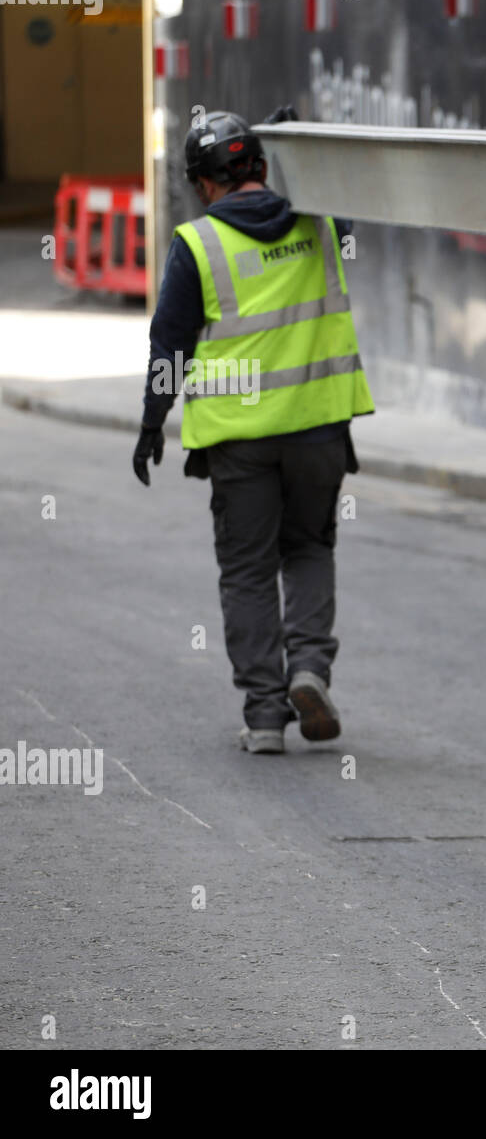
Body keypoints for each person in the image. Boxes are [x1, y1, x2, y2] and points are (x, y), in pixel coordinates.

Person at [132, 108, 375, 755]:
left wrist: (152, 424)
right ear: (262, 166)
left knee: (246, 571)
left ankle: (265, 717)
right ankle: (309, 670)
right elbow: (344, 211)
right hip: (320, 428)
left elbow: (170, 347)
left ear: (202, 183)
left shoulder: (196, 245)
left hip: (238, 440)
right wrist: (299, 154)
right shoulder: (320, 220)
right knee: (308, 549)